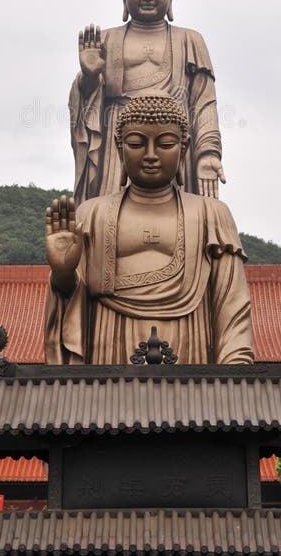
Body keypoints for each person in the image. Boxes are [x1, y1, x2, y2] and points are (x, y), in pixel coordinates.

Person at [45, 95, 253, 365]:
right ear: (120, 148)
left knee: (189, 408)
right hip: (109, 348)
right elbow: (73, 304)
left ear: (185, 147)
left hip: (190, 348)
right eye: (136, 144)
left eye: (165, 144)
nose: (151, 155)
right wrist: (63, 273)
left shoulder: (211, 214)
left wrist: (234, 373)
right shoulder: (91, 214)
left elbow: (231, 304)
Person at [69, 0, 226, 205]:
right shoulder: (106, 40)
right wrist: (89, 77)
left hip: (171, 139)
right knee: (108, 215)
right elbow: (86, 101)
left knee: (179, 219)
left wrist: (209, 153)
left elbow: (204, 103)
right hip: (118, 143)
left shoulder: (190, 40)